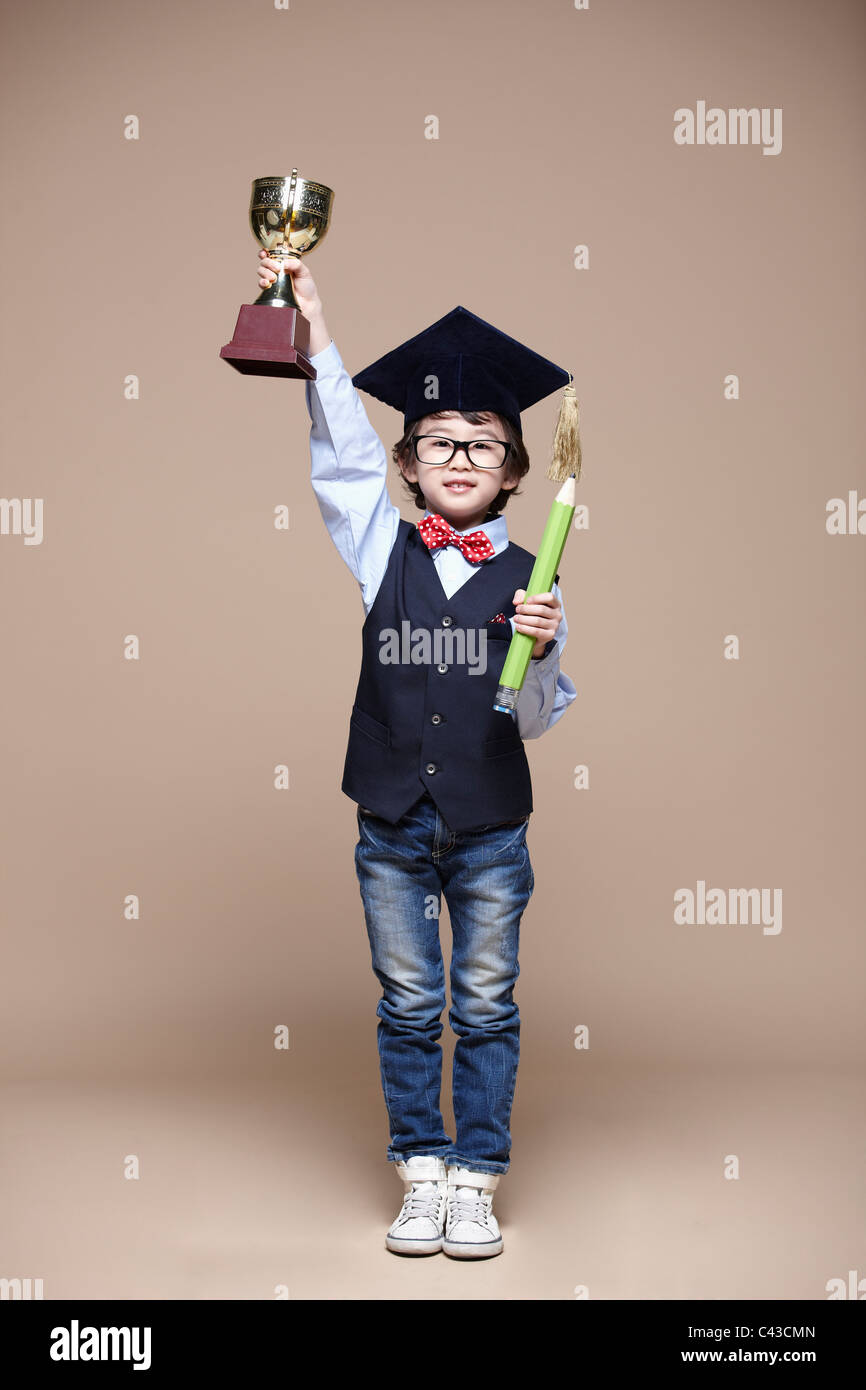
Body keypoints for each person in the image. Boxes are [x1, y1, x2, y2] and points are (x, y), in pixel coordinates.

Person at [257, 249, 578, 1259]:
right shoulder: (376, 547)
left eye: (480, 445)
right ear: (405, 466)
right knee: (408, 1001)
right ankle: (422, 1168)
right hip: (390, 822)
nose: (455, 456)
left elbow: (531, 719)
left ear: (514, 471)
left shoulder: (536, 581)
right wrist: (312, 332)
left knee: (482, 1004)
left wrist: (541, 646)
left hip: (489, 830)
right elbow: (340, 451)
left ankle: (477, 1176)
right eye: (433, 441)